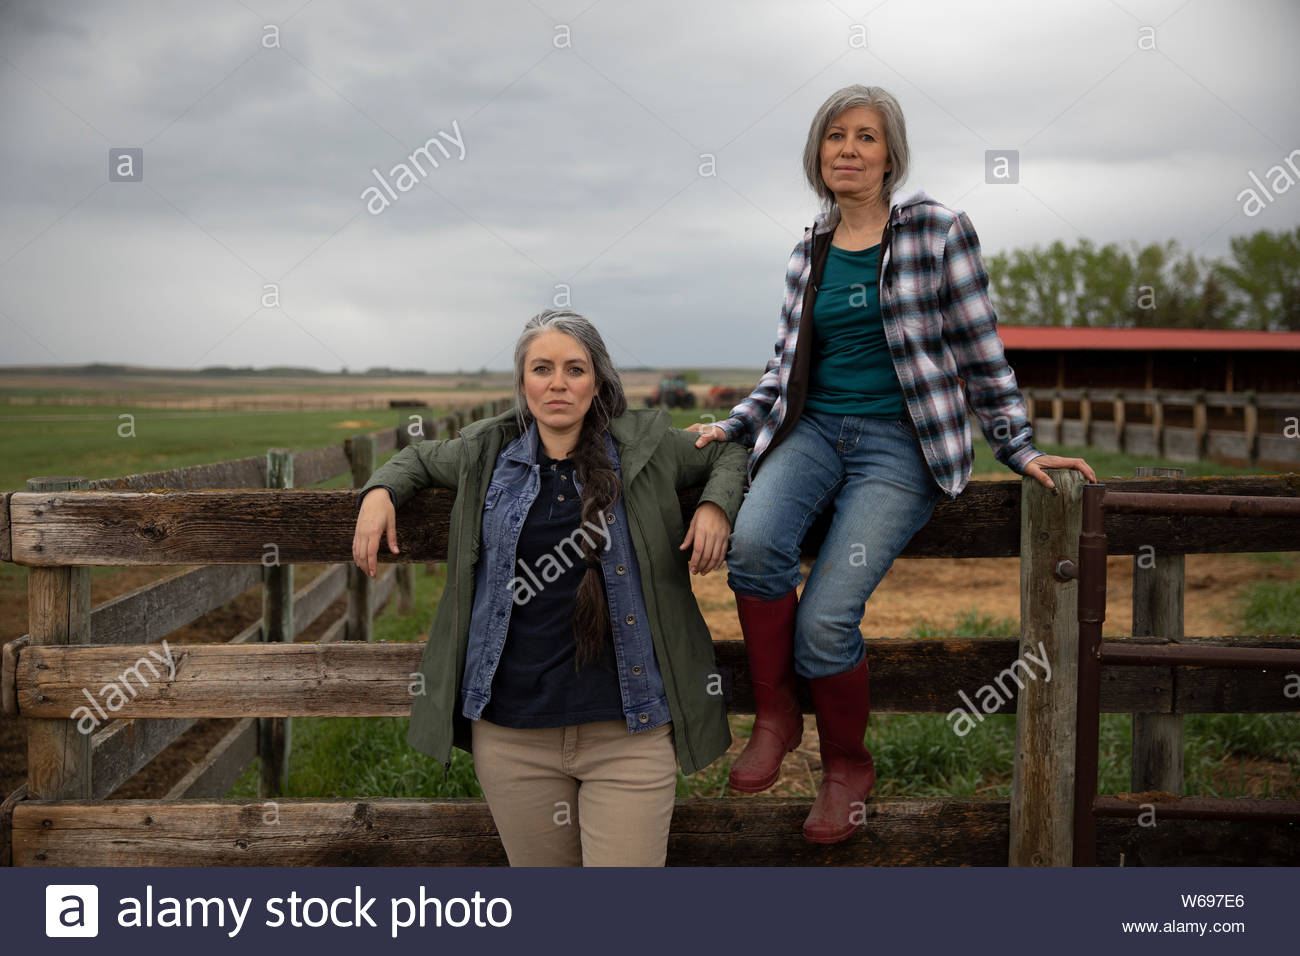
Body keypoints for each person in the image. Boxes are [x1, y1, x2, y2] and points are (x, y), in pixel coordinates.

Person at [687, 85, 1096, 844]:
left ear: (890, 156)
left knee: (826, 618)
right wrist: (736, 425)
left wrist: (1020, 446)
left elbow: (981, 351)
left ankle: (847, 766)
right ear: (818, 154)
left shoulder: (938, 231)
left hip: (900, 444)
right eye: (834, 136)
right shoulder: (807, 249)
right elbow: (785, 367)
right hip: (812, 433)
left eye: (866, 137)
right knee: (754, 547)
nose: (848, 148)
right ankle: (778, 716)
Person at [352, 308, 747, 866]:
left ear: (598, 382)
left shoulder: (647, 449)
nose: (558, 383)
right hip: (513, 739)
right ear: (522, 382)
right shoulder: (486, 454)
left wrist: (714, 505)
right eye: (542, 369)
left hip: (629, 734)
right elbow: (415, 457)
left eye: (574, 369)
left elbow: (731, 448)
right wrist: (379, 493)